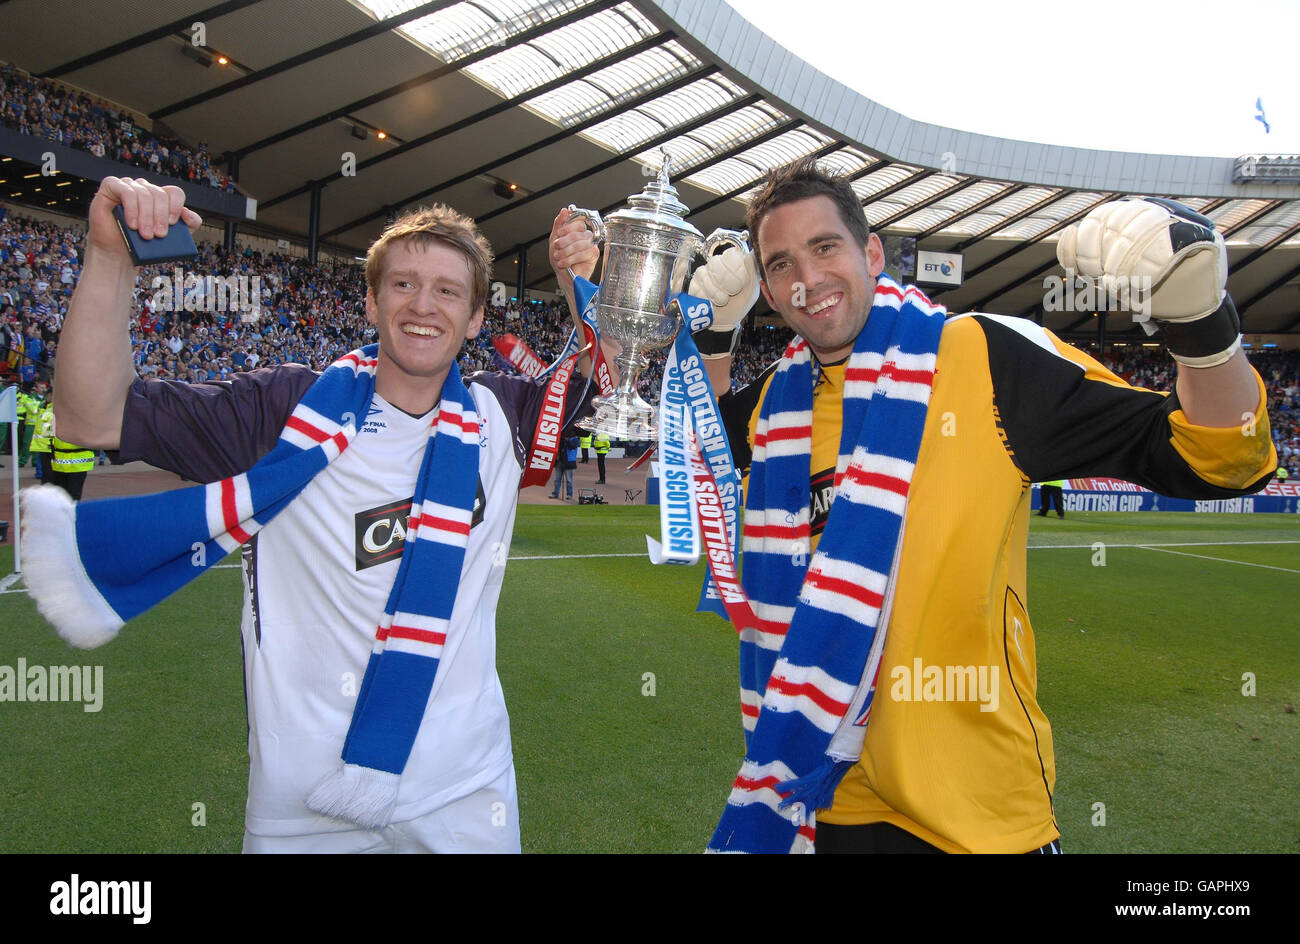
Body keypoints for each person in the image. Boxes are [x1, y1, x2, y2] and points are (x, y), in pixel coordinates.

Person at [563, 157, 1275, 854]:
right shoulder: (782, 400)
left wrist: (1201, 324)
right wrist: (712, 334)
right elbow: (703, 455)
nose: (808, 279)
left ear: (871, 252)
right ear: (770, 295)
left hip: (970, 813)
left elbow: (1214, 459)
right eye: (780, 265)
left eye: (824, 247)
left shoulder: (985, 355)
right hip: (821, 796)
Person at [24, 177, 603, 854]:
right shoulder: (284, 411)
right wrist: (109, 255)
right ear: (370, 300)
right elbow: (92, 414)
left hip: (467, 788)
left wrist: (580, 285)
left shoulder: (502, 416)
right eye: (403, 285)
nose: (424, 306)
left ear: (476, 317)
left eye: (448, 291)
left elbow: (610, 382)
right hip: (305, 803)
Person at [549, 435, 578, 501]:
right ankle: (555, 493)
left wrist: (567, 440)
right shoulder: (561, 438)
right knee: (557, 479)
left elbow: (572, 446)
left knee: (569, 480)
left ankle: (569, 495)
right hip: (560, 461)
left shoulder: (575, 439)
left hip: (568, 461)